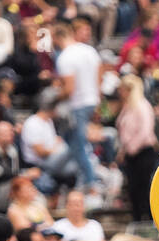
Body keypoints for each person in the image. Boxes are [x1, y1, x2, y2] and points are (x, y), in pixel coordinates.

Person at [52, 21, 101, 197]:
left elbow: (69, 89)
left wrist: (53, 95)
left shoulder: (66, 57)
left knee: (78, 146)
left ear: (58, 37)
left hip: (77, 105)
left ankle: (90, 183)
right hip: (92, 101)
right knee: (79, 145)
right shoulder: (89, 50)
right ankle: (85, 179)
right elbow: (99, 77)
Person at [115, 75, 158, 224]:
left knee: (143, 187)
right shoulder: (128, 107)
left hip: (142, 152)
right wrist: (123, 151)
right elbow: (124, 132)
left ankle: (148, 220)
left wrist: (132, 148)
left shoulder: (142, 105)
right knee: (133, 189)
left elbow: (146, 131)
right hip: (131, 154)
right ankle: (137, 219)